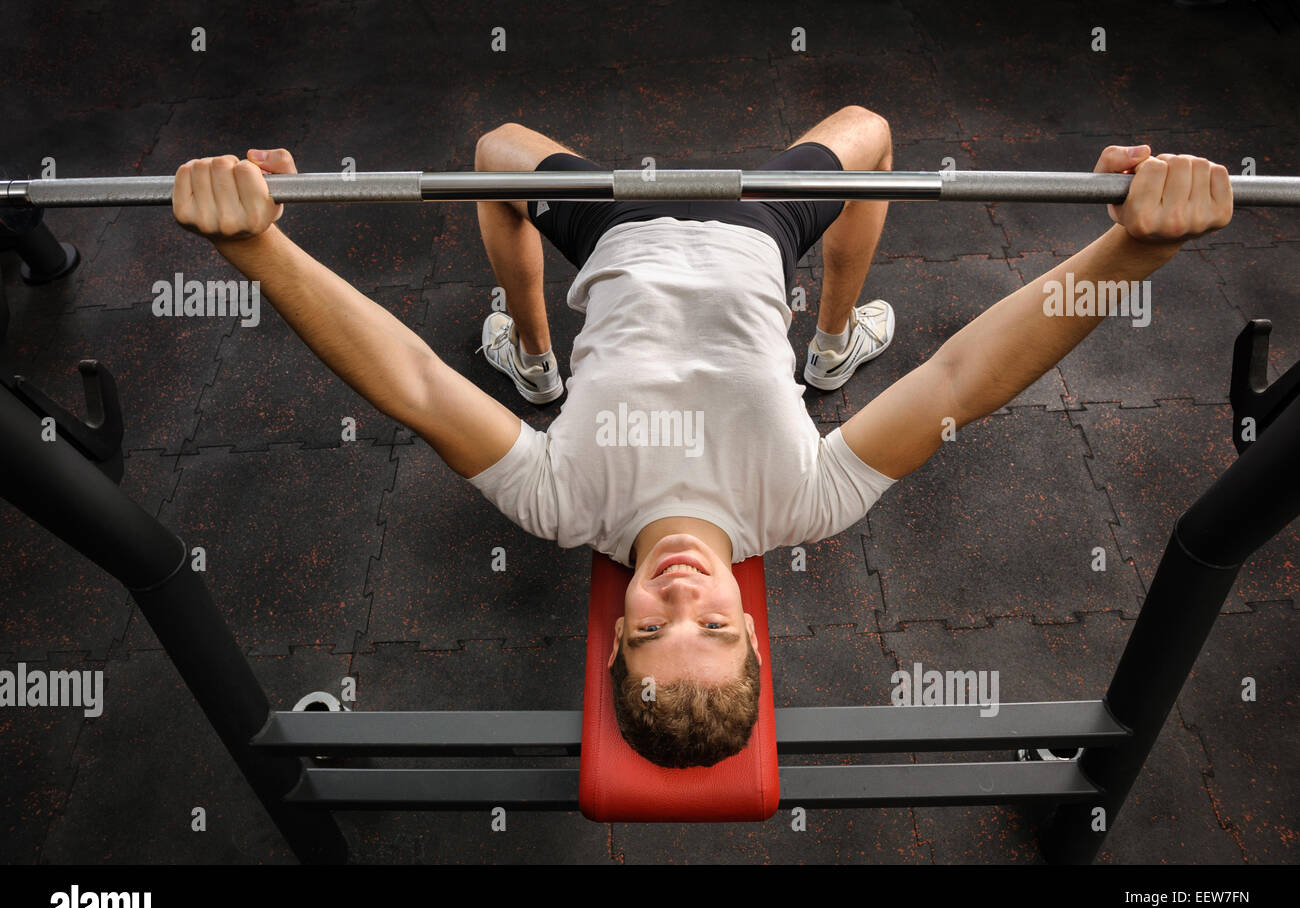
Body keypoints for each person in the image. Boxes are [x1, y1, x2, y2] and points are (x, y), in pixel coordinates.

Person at [171, 106, 1232, 769]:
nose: (681, 594)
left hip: (614, 231)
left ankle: (532, 355)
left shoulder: (560, 504)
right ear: (753, 631)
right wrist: (1125, 253)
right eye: (715, 629)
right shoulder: (803, 500)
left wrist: (261, 248)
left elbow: (409, 382)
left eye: (647, 630)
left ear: (615, 633)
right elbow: (962, 375)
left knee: (495, 149)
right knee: (867, 130)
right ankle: (829, 346)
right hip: (755, 231)